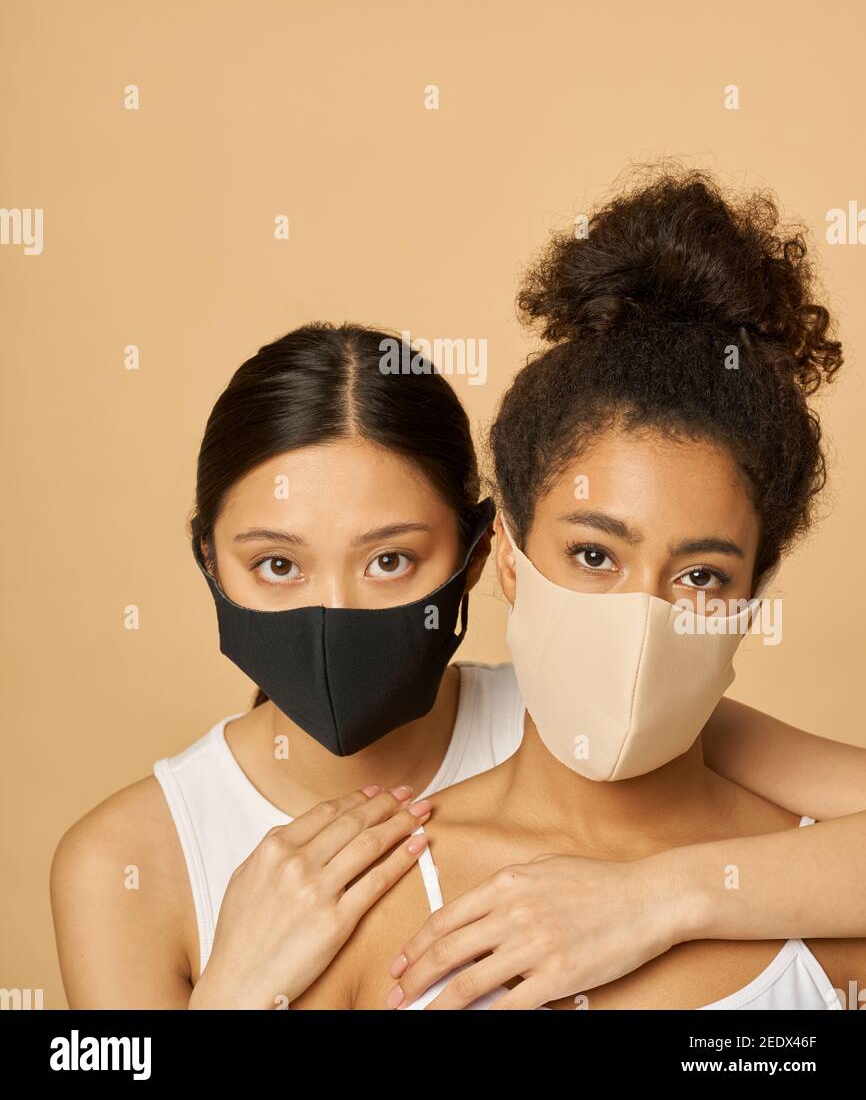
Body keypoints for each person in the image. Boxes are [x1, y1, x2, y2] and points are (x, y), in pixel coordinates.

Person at [51, 222, 866, 1009]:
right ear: (208, 559)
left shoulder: (586, 703)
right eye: (278, 564)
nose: (333, 613)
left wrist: (654, 899)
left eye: (389, 560)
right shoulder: (124, 862)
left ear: (480, 555)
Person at [287, 167, 866, 1010]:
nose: (640, 617)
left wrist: (661, 899)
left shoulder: (829, 909)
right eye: (595, 555)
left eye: (701, 575)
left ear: (752, 595)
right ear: (510, 557)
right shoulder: (366, 903)